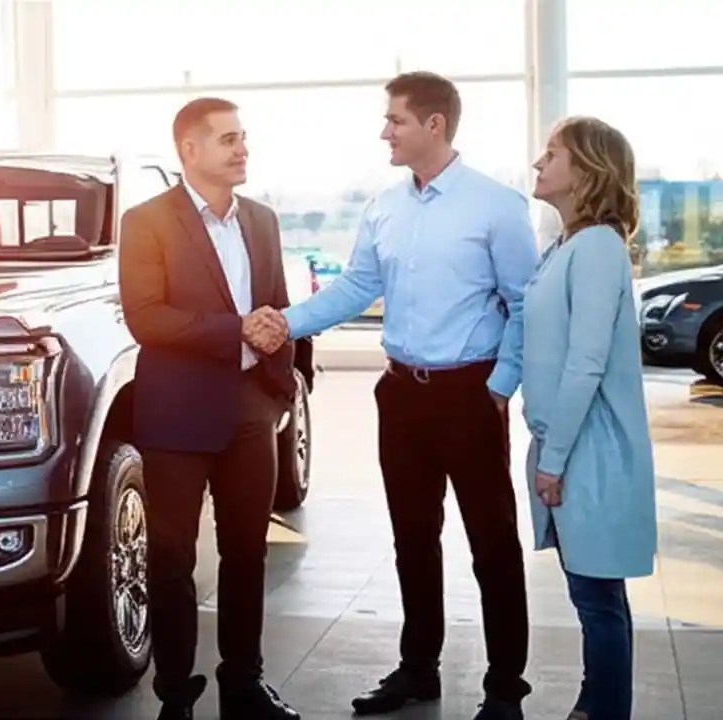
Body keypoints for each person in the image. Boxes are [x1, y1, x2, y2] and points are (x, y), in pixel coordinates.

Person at [255, 71, 540, 719]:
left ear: (434, 125)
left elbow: (525, 305)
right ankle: (419, 670)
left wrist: (499, 388)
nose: (385, 130)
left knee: (492, 541)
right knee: (413, 537)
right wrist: (284, 324)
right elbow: (356, 288)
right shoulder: (384, 205)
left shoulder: (496, 205)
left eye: (396, 120)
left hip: (471, 393)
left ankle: (505, 688)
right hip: (400, 397)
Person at [117, 96, 300, 720]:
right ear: (189, 151)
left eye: (243, 137)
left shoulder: (264, 220)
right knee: (172, 560)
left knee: (249, 554)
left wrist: (279, 388)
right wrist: (237, 332)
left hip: (252, 412)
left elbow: (276, 309)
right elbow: (147, 318)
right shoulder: (147, 221)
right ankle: (176, 695)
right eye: (227, 139)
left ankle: (244, 684)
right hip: (178, 417)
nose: (242, 148)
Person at [522, 116, 657, 720]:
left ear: (586, 169)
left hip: (591, 450)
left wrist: (553, 461)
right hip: (575, 444)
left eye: (552, 154)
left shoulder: (598, 247)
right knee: (595, 592)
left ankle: (604, 712)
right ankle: (593, 702)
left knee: (598, 596)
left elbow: (586, 363)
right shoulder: (568, 246)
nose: (538, 163)